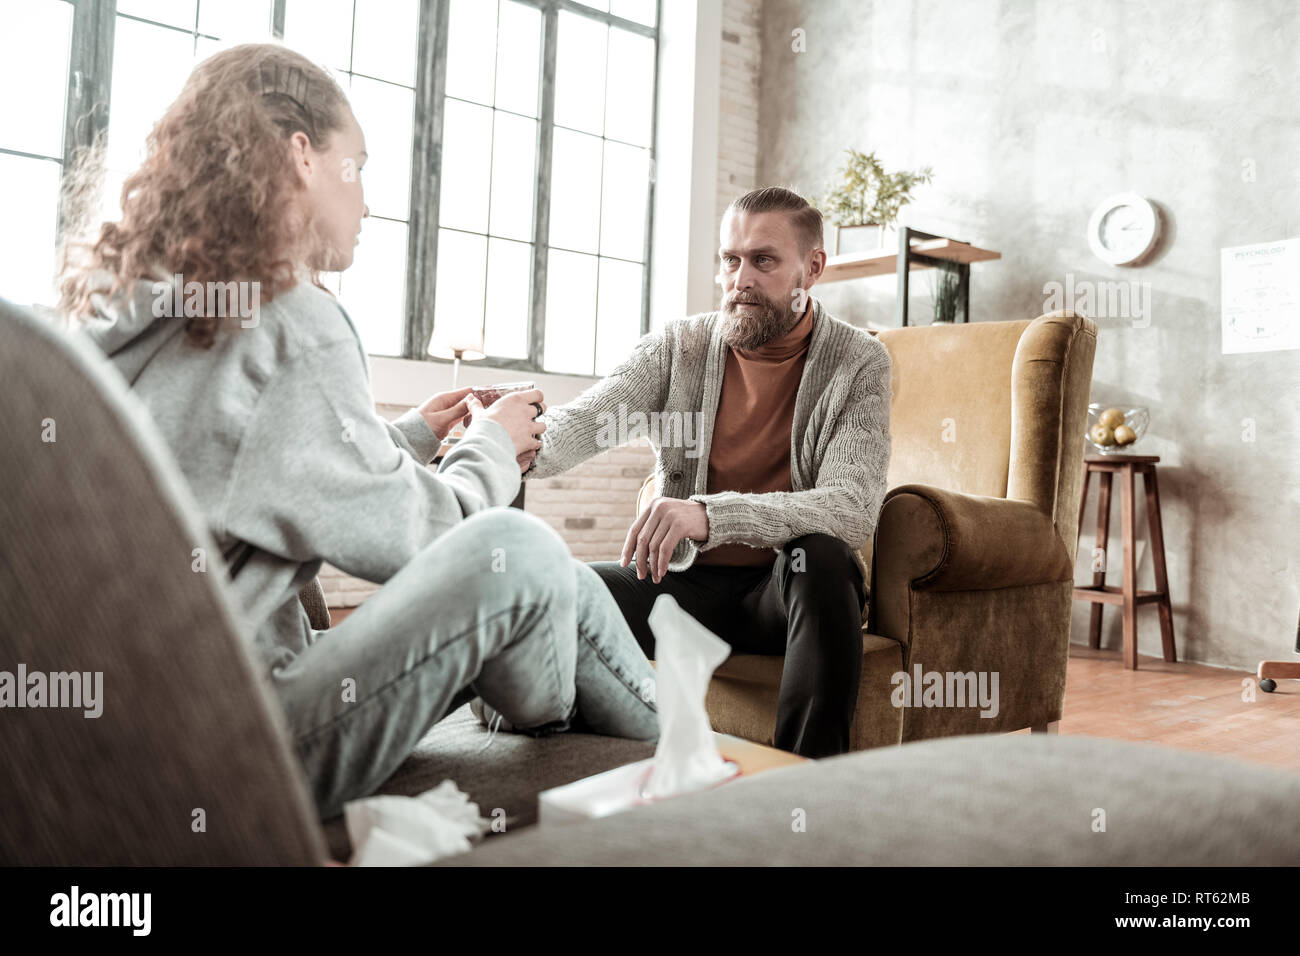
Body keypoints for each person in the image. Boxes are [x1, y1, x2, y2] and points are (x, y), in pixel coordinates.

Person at [56, 43, 657, 821]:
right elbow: (439, 540)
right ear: (301, 156)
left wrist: (406, 436)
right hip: (231, 745)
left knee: (563, 584)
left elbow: (252, 467)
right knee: (531, 556)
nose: (368, 201)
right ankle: (667, 760)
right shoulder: (291, 318)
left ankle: (598, 728)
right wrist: (494, 447)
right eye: (360, 166)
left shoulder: (155, 316)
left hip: (137, 730)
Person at [523, 186, 892, 758]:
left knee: (824, 557)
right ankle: (558, 763)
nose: (741, 279)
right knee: (555, 590)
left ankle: (802, 791)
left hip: (782, 592)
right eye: (731, 260)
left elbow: (851, 507)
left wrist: (709, 513)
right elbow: (591, 419)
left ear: (812, 268)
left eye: (764, 260)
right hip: (682, 589)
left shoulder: (858, 361)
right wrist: (509, 435)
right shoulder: (679, 348)